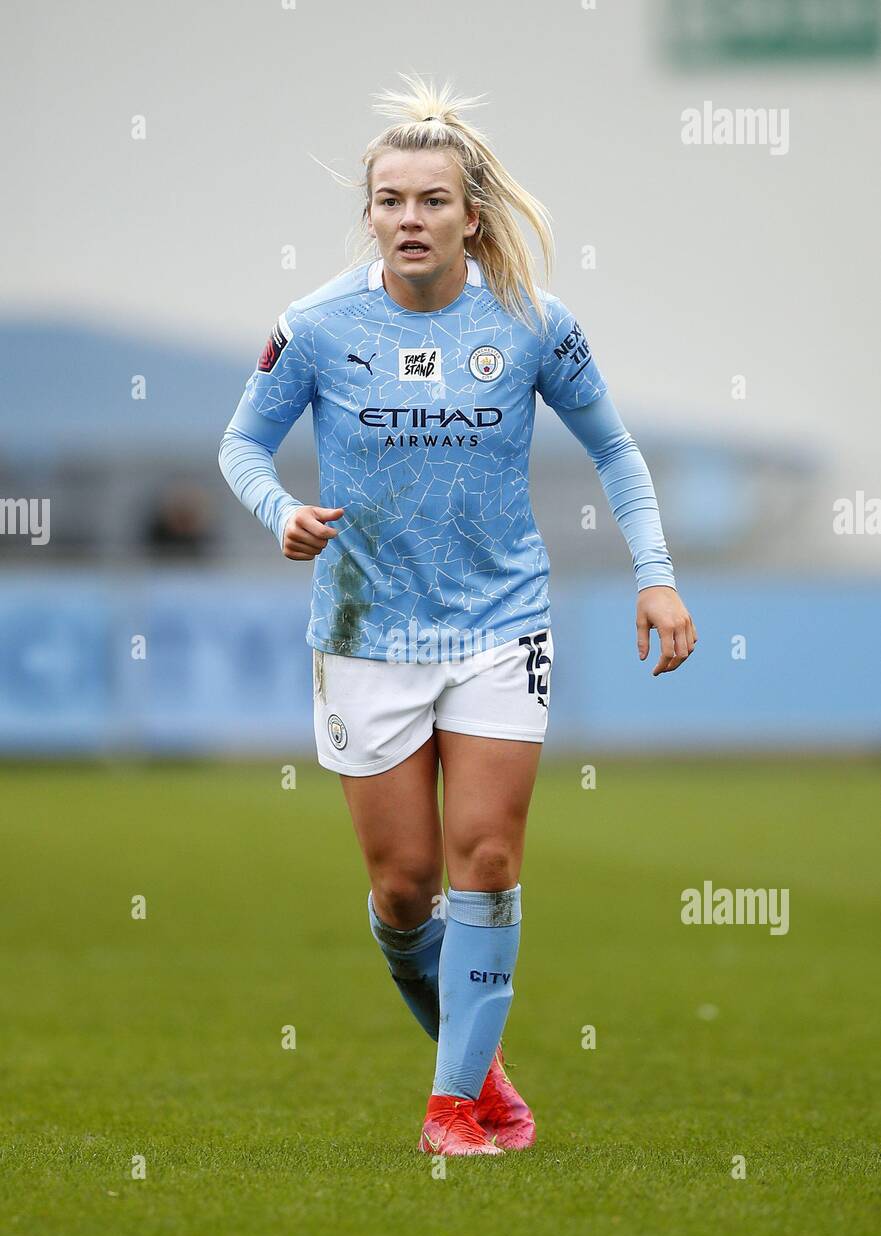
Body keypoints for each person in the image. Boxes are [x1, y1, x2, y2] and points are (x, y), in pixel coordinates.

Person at [219, 74, 697, 1157]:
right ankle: (484, 1078)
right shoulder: (315, 325)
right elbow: (240, 445)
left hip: (498, 627)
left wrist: (654, 573)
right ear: (370, 213)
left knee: (484, 860)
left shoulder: (532, 323)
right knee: (402, 892)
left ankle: (448, 1111)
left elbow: (616, 450)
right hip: (362, 630)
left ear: (469, 214)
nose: (409, 219)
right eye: (390, 200)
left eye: (431, 200)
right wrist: (281, 510)